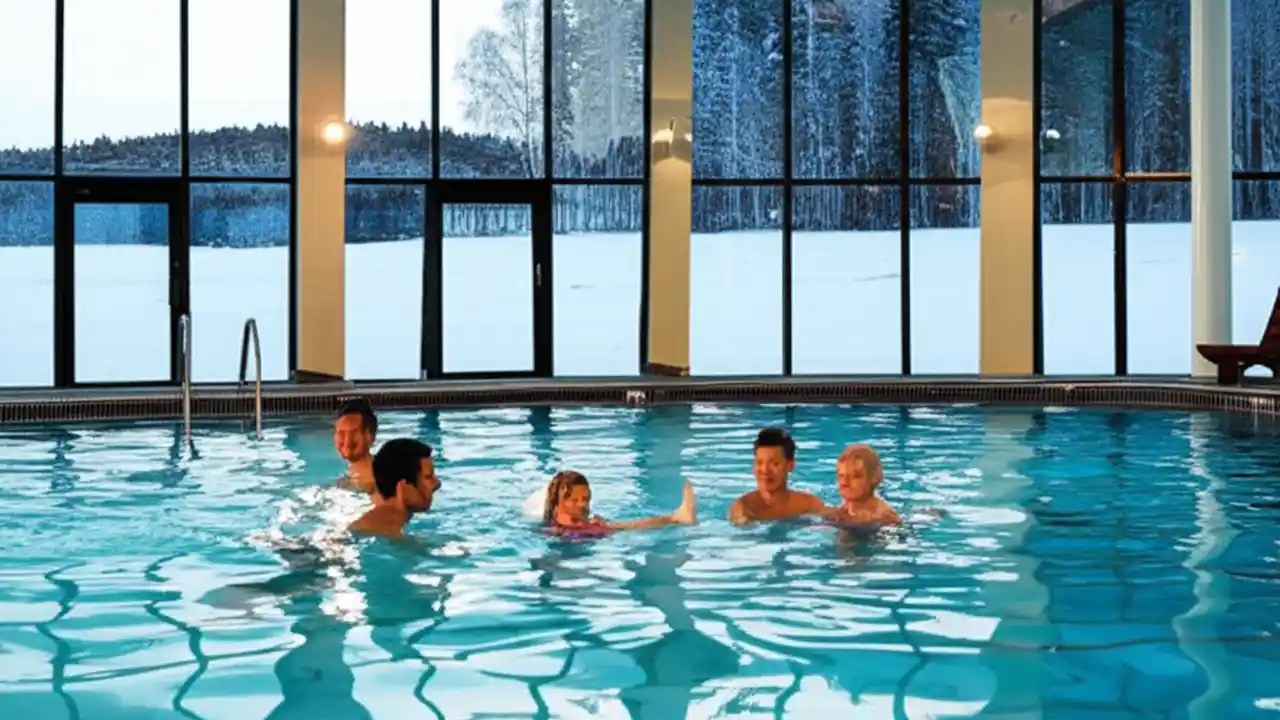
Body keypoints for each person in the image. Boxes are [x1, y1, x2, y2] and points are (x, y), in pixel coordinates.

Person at [542, 470, 697, 537]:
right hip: (578, 537)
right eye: (574, 501)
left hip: (581, 537)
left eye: (585, 499)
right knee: (628, 526)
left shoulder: (555, 521)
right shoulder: (563, 529)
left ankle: (677, 518)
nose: (582, 504)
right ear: (558, 502)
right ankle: (676, 518)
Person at [728, 427, 824, 525]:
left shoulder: (809, 505)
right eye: (759, 462)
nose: (765, 470)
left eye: (774, 463)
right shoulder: (744, 508)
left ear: (790, 466)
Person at [349, 438, 440, 538]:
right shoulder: (391, 532)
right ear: (404, 487)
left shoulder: (368, 523)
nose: (437, 484)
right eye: (428, 477)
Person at [825, 443, 900, 526]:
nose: (845, 482)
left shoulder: (885, 517)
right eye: (841, 476)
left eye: (855, 476)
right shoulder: (841, 511)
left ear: (873, 478)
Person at [333, 398, 378, 493]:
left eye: (354, 432)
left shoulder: (388, 478)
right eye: (341, 433)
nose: (347, 442)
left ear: (370, 435)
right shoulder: (343, 483)